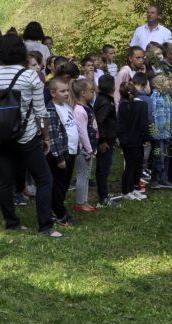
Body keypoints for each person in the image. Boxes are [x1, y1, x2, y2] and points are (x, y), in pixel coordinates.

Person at [0, 33, 60, 237]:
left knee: (6, 180)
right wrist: (46, 136)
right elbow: (41, 112)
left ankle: (11, 223)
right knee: (44, 179)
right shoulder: (29, 76)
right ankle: (45, 226)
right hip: (27, 135)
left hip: (1, 136)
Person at [46, 76, 78, 225]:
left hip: (71, 151)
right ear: (53, 93)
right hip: (60, 154)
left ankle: (57, 208)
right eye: (62, 91)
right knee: (59, 185)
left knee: (65, 183)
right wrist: (59, 158)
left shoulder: (66, 106)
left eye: (67, 90)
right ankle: (59, 213)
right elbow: (52, 136)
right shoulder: (51, 110)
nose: (66, 93)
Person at [117, 73, 152, 201]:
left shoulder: (122, 106)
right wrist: (147, 138)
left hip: (127, 141)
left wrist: (121, 140)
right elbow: (144, 124)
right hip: (136, 141)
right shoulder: (142, 105)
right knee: (134, 166)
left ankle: (133, 188)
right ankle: (127, 190)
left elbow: (120, 125)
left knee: (132, 166)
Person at [71, 78, 99, 213]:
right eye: (92, 91)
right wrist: (89, 149)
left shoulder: (87, 107)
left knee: (87, 175)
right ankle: (80, 203)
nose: (94, 93)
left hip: (90, 148)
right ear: (83, 93)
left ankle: (84, 201)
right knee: (82, 175)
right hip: (84, 149)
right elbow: (82, 132)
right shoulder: (79, 110)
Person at [93, 74, 119, 207]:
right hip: (105, 141)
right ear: (113, 87)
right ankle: (103, 197)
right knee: (103, 168)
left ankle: (104, 192)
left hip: (109, 138)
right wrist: (102, 141)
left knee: (105, 167)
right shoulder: (104, 102)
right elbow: (100, 122)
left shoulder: (106, 99)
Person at [149, 74, 172, 188]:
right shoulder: (154, 97)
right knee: (158, 155)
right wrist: (153, 132)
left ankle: (163, 178)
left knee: (165, 156)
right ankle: (155, 179)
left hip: (167, 132)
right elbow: (152, 115)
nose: (169, 83)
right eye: (166, 81)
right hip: (157, 134)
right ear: (158, 85)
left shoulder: (167, 97)